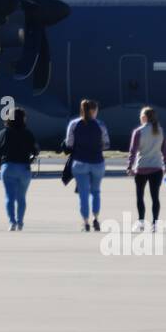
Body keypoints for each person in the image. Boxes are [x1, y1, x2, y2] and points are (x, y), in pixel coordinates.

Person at [65, 99, 110, 232]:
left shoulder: (74, 124)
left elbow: (69, 143)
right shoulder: (100, 125)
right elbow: (106, 144)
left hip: (80, 162)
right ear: (94, 111)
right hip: (97, 162)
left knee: (83, 194)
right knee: (96, 191)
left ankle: (85, 222)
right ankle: (96, 218)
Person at [0, 107, 39, 231]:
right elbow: (35, 150)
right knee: (21, 198)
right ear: (23, 119)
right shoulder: (28, 133)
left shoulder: (3, 133)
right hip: (24, 168)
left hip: (8, 167)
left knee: (9, 197)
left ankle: (12, 222)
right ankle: (20, 222)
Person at [126, 106, 166, 231]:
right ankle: (155, 223)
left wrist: (129, 166)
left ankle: (141, 222)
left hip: (141, 168)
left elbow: (133, 151)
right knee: (155, 197)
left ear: (144, 117)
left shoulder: (138, 131)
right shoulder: (161, 131)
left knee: (140, 196)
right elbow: (165, 150)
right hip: (156, 168)